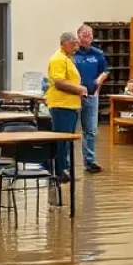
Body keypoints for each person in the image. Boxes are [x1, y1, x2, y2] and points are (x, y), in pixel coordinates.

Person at [46, 31, 87, 182]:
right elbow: (59, 82)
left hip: (70, 106)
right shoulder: (58, 59)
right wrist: (79, 89)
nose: (77, 46)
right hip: (61, 105)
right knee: (61, 140)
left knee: (67, 141)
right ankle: (60, 171)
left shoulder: (68, 59)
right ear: (64, 43)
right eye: (73, 43)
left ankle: (65, 169)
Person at [74, 24, 109, 173]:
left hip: (91, 96)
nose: (87, 37)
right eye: (84, 34)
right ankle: (66, 165)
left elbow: (105, 71)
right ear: (78, 36)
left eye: (90, 34)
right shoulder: (72, 53)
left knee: (90, 131)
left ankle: (90, 161)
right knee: (70, 131)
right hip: (73, 96)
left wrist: (98, 83)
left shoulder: (97, 54)